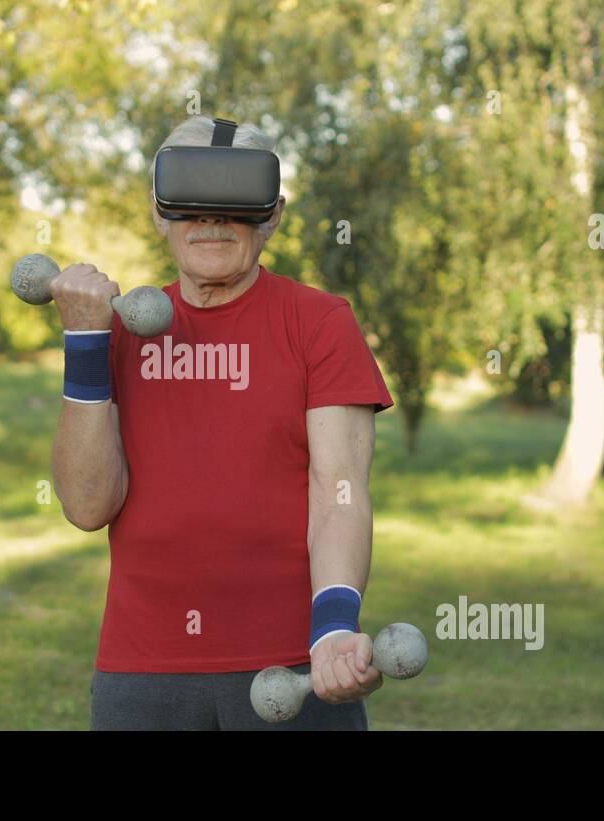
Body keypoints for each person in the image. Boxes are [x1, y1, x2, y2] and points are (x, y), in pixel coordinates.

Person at [50, 115, 395, 730]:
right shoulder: (119, 332)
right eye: (187, 205)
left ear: (273, 216)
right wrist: (84, 344)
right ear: (159, 214)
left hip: (290, 665)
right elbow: (86, 506)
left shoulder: (318, 322)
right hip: (141, 668)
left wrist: (335, 626)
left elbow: (338, 492)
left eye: (233, 206)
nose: (210, 221)